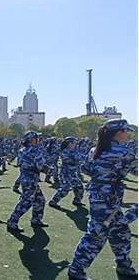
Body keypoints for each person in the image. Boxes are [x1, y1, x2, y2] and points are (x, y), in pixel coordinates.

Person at [68, 119, 138, 280]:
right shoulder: (123, 152)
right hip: (108, 200)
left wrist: (102, 176)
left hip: (98, 196)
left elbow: (85, 168)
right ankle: (76, 270)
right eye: (126, 131)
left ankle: (123, 265)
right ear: (119, 132)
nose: (128, 135)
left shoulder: (95, 150)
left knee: (121, 232)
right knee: (96, 235)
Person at [6, 130, 48, 232]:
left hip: (25, 178)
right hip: (31, 180)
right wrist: (48, 169)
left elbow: (19, 163)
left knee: (40, 200)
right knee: (26, 202)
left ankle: (36, 219)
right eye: (36, 138)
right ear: (32, 140)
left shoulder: (22, 150)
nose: (38, 139)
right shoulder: (36, 150)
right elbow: (40, 165)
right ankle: (12, 221)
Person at [48, 137, 86, 208]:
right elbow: (79, 158)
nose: (76, 144)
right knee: (65, 188)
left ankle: (77, 200)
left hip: (72, 173)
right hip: (66, 173)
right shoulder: (66, 151)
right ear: (69, 143)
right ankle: (53, 201)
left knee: (79, 187)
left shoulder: (73, 150)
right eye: (74, 143)